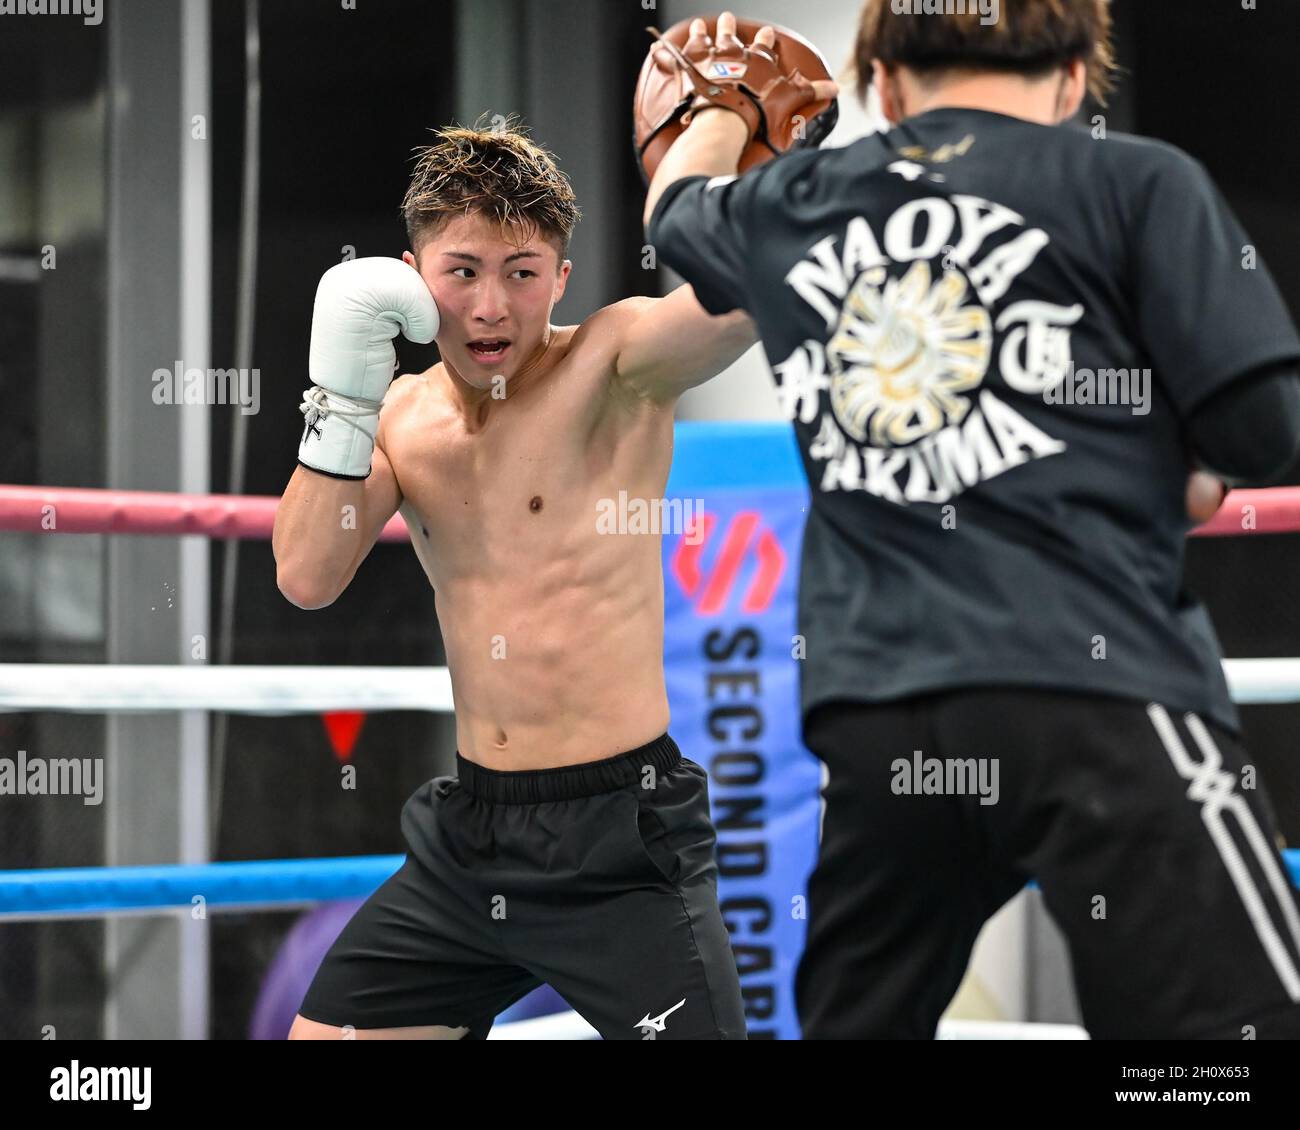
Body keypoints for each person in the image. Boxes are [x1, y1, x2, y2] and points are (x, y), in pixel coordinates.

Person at [643, 5, 1300, 1038]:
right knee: (1231, 1037)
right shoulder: (1135, 180)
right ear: (1079, 78)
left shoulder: (793, 201)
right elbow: (1261, 431)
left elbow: (678, 210)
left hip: (879, 715)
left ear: (885, 85)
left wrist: (718, 101)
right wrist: (1155, 462)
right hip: (1091, 681)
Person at [276, 123, 763, 1040]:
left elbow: (739, 306)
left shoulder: (616, 365)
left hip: (623, 840)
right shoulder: (400, 417)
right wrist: (339, 401)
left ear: (562, 280)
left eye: (523, 272)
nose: (492, 306)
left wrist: (732, 150)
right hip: (474, 836)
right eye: (462, 272)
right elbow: (305, 575)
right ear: (411, 273)